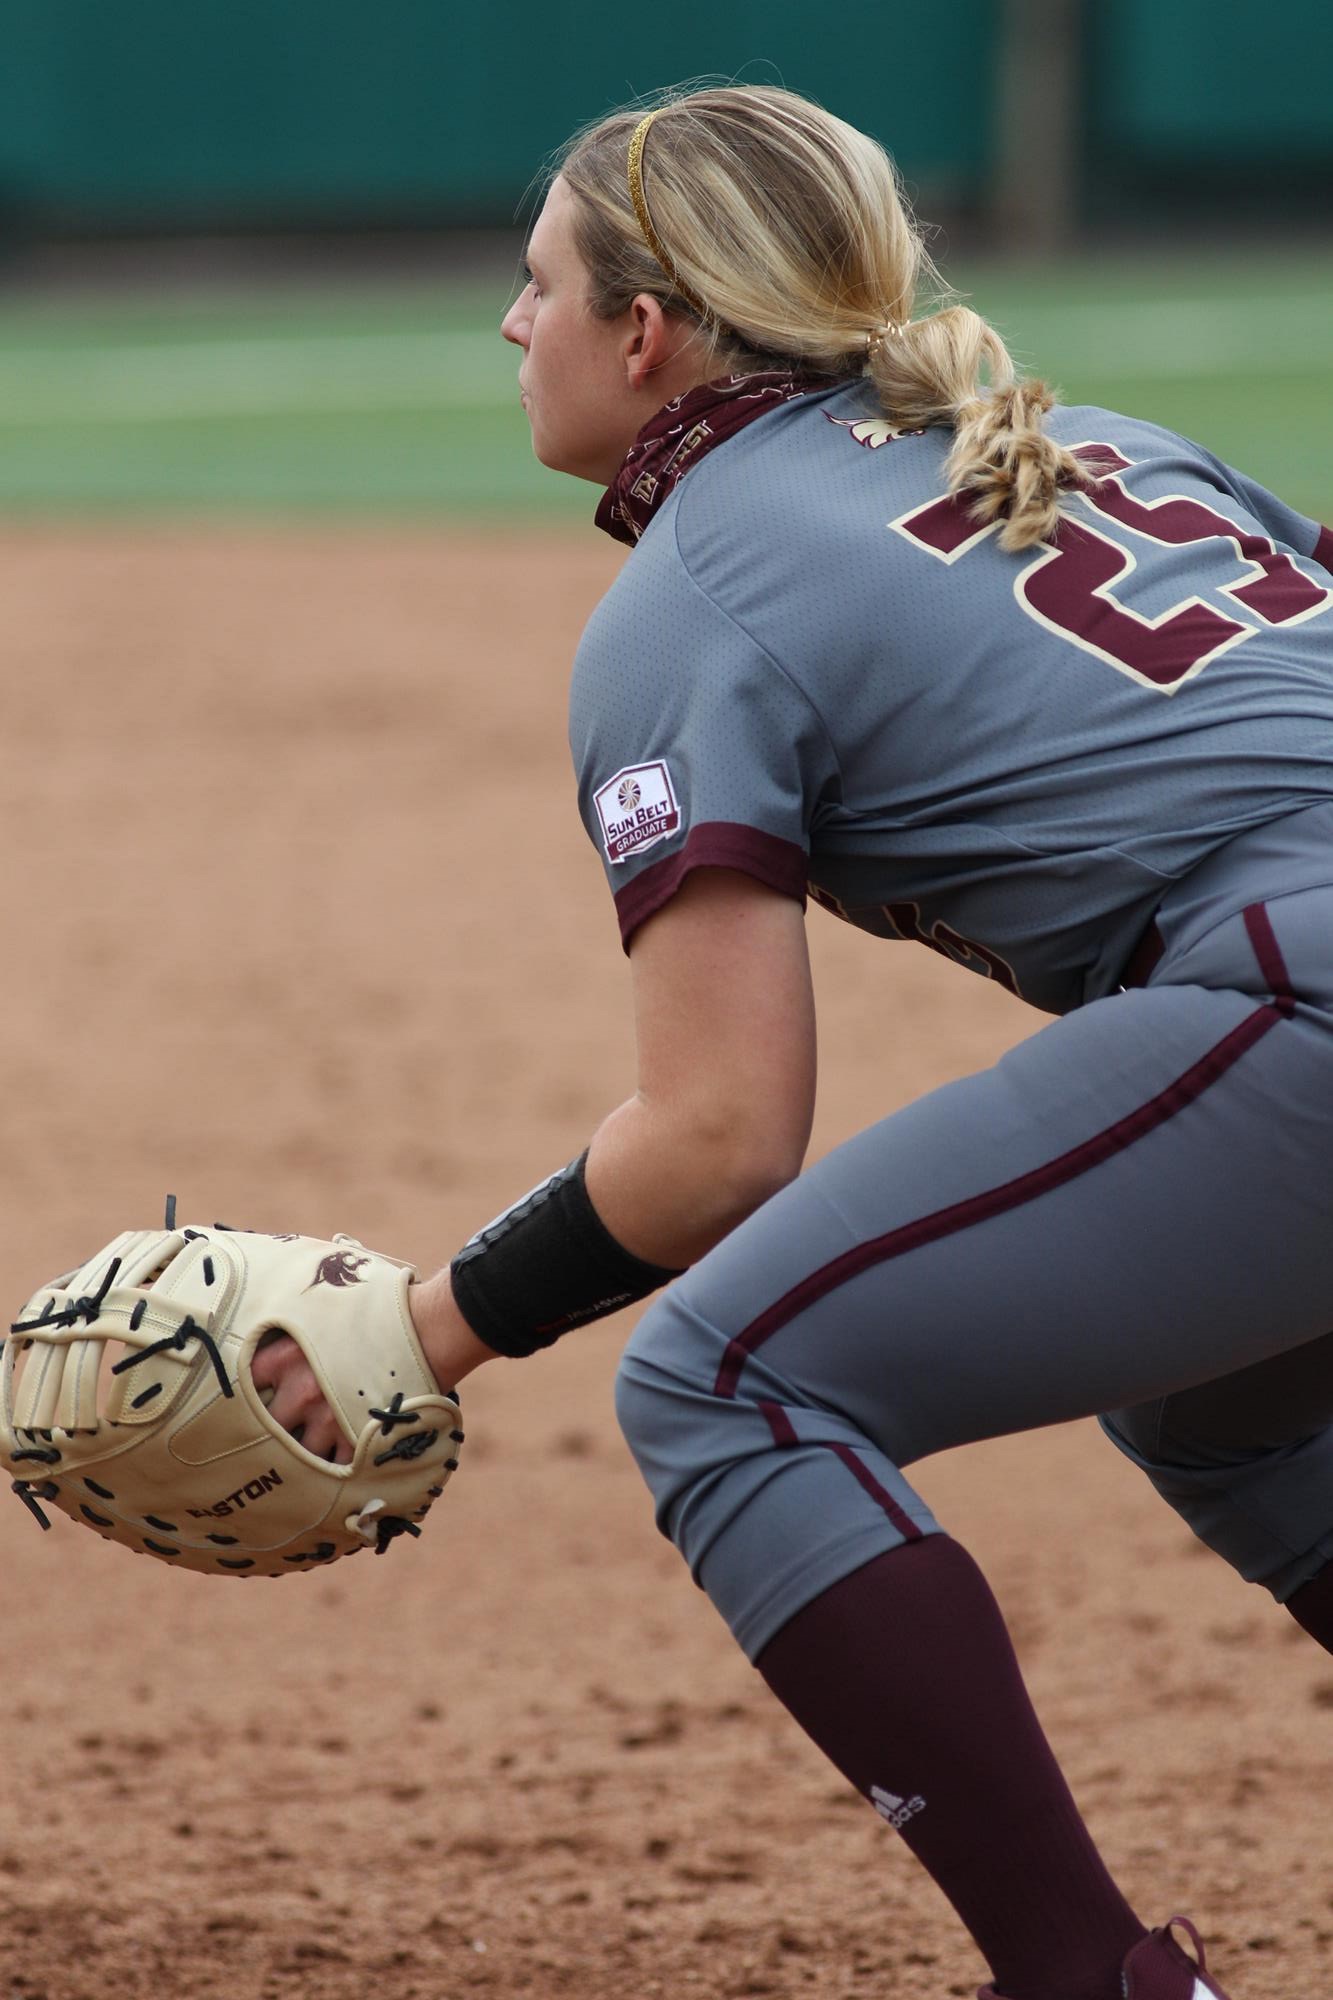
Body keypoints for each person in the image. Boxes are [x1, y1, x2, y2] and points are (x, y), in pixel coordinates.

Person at [254, 83, 1333, 2000]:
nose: (515, 326)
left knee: (724, 1383)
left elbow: (723, 1139)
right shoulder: (1087, 441)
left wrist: (420, 1330)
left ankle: (1091, 1984)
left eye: (540, 285)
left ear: (646, 332)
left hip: (1302, 997)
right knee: (1229, 1401)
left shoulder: (692, 591)